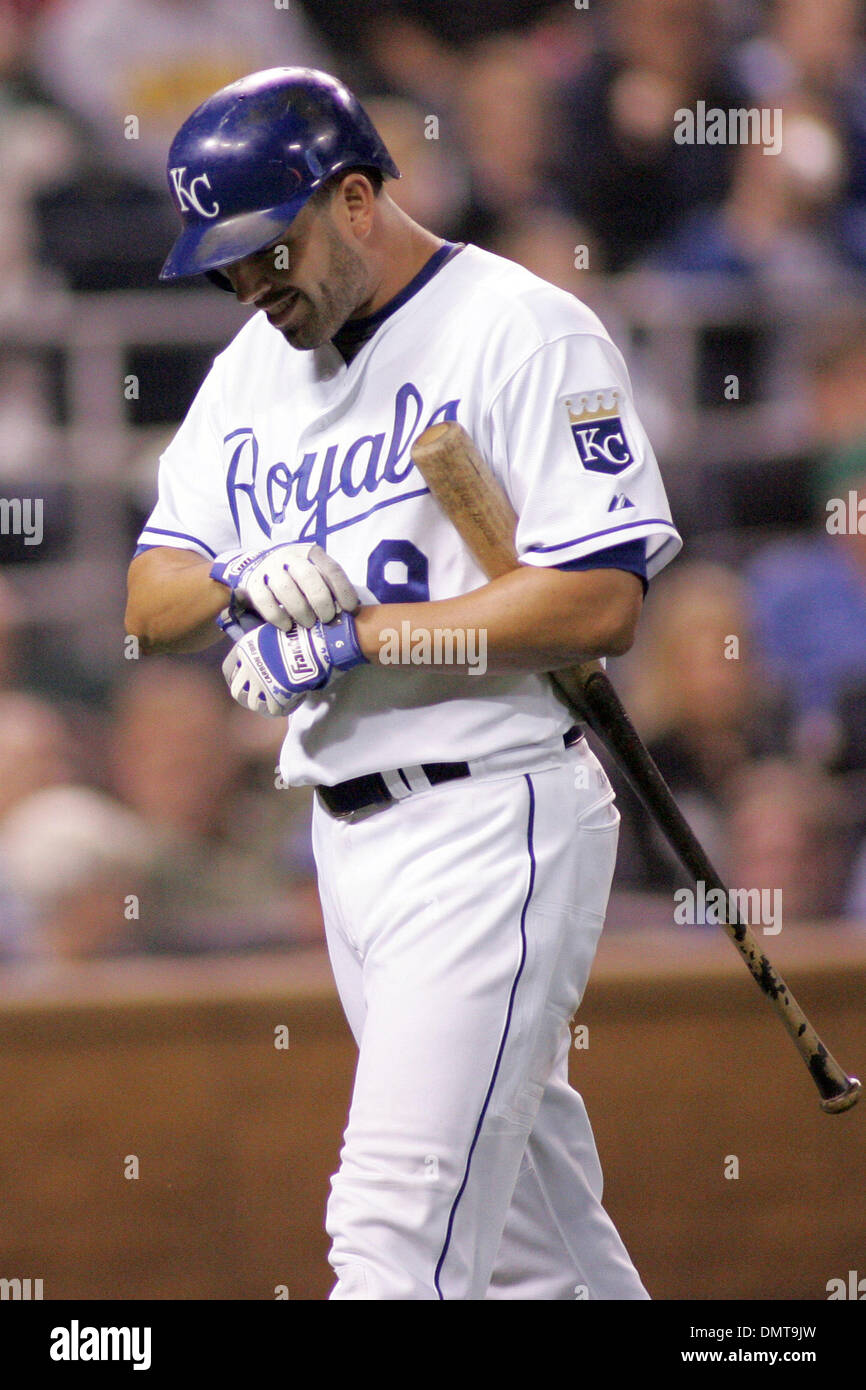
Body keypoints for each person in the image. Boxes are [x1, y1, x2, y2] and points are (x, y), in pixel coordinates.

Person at [125, 67, 682, 1301]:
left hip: (491, 813)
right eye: (224, 265)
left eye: (268, 250)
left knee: (389, 1240)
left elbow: (599, 601)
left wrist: (368, 633)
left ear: (359, 197)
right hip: (349, 841)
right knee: (543, 1264)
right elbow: (146, 596)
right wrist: (242, 575)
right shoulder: (249, 372)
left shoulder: (520, 327)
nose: (248, 285)